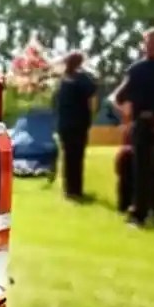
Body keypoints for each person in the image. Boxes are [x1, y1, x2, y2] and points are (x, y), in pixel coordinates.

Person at [111, 26, 154, 227]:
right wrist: (128, 117)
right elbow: (118, 98)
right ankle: (140, 214)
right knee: (142, 169)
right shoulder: (137, 70)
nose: (151, 46)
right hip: (143, 124)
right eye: (148, 42)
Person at [52, 51, 98, 199]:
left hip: (64, 122)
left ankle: (68, 189)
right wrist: (91, 116)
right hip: (79, 122)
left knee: (67, 155)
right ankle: (76, 190)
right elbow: (92, 100)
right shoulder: (84, 78)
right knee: (77, 156)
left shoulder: (63, 81)